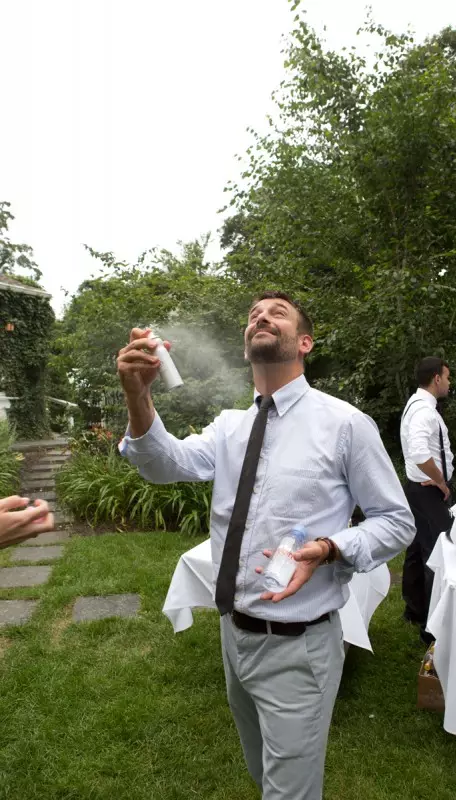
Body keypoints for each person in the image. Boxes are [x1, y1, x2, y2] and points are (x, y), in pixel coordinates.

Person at [117, 290, 414, 800]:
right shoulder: (231, 427)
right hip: (234, 636)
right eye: (254, 314)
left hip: (299, 647)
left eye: (277, 313)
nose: (261, 316)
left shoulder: (344, 424)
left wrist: (330, 548)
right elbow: (163, 464)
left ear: (305, 342)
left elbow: (396, 521)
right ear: (245, 346)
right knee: (262, 776)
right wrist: (137, 395)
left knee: (289, 794)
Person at [400, 356, 454, 645]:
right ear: (436, 378)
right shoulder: (424, 411)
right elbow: (421, 452)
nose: (449, 382)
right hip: (427, 490)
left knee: (418, 549)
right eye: (447, 377)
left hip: (416, 488)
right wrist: (441, 481)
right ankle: (431, 628)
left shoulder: (415, 404)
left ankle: (415, 609)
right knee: (439, 554)